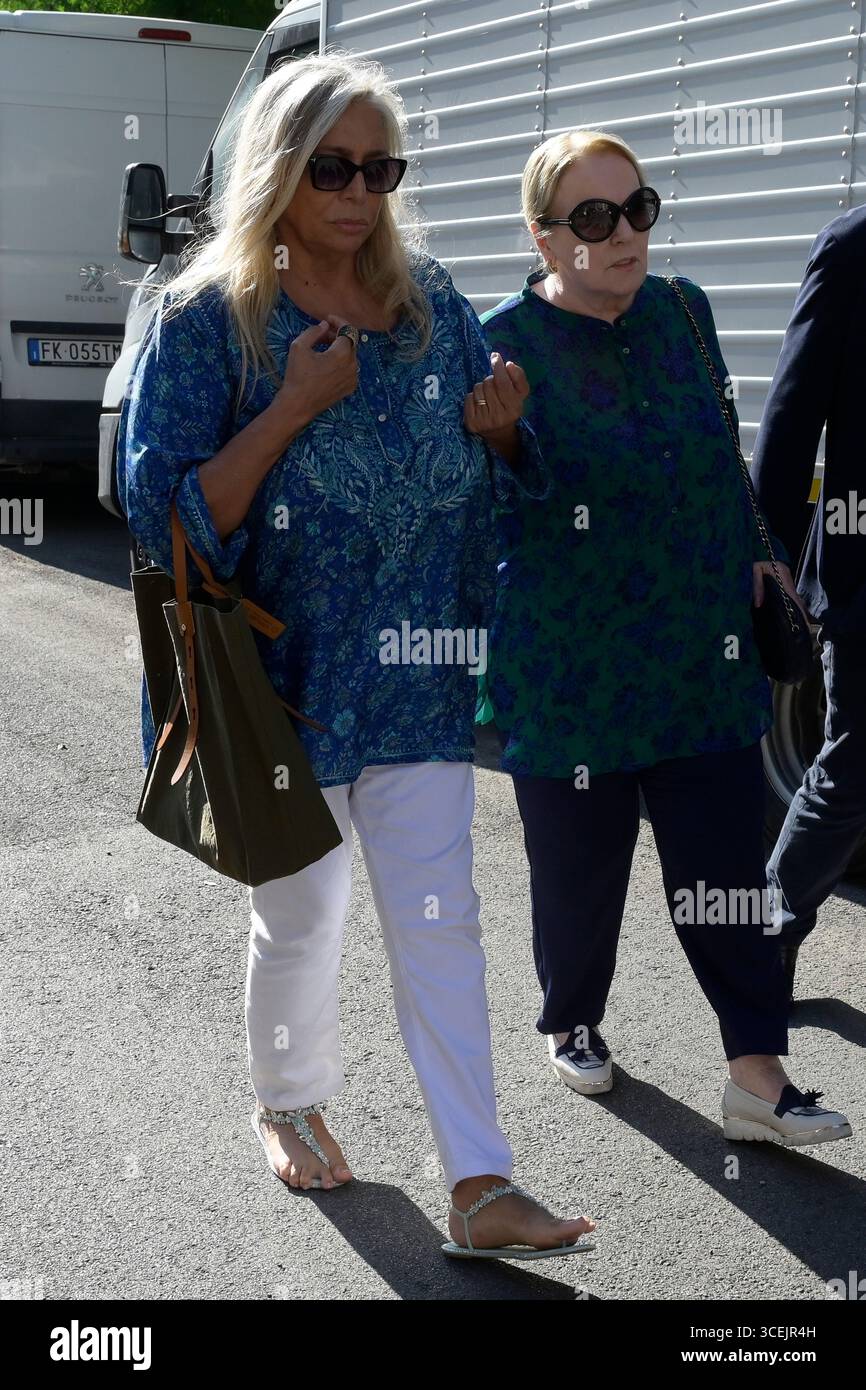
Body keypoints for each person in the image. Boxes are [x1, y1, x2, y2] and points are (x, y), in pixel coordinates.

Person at [117, 52, 597, 1260]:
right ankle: (287, 1099)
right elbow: (162, 521)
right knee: (303, 914)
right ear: (281, 166)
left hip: (421, 680)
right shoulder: (208, 319)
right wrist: (285, 408)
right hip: (279, 692)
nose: (358, 191)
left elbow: (505, 482)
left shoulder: (430, 301)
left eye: (380, 168)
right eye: (332, 166)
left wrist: (503, 435)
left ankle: (480, 1183)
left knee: (440, 918)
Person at [476, 128, 851, 1147]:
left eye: (635, 208)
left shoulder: (685, 313)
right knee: (579, 878)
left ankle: (755, 1078)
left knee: (722, 872)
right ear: (544, 235)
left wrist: (762, 558)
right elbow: (490, 505)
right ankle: (569, 1017)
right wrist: (506, 436)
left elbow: (723, 460)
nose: (621, 233)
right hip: (569, 664)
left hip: (697, 654)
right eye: (592, 217)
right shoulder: (499, 340)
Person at [752, 205, 866, 999]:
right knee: (856, 761)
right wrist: (770, 554)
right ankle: (766, 936)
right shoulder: (854, 247)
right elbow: (791, 417)